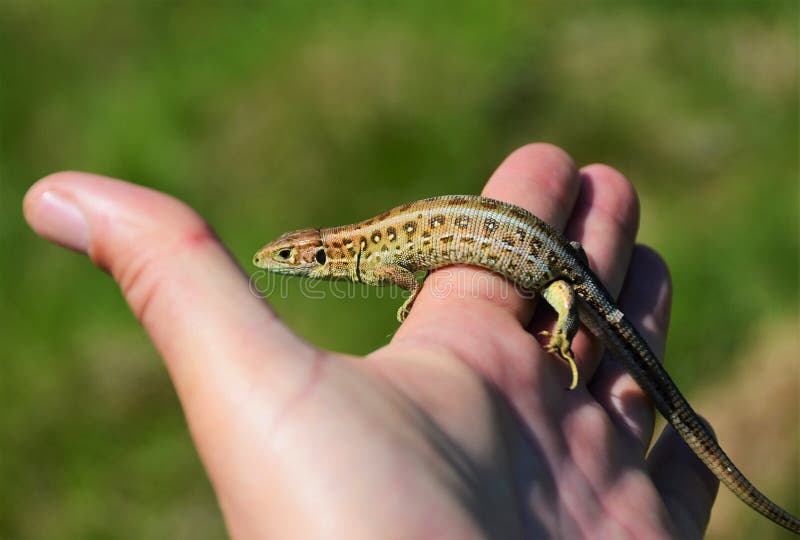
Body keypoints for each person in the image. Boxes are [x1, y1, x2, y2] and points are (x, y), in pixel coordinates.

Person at [23, 144, 716, 539]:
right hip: (550, 267)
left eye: (293, 260)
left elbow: (404, 273)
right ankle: (575, 328)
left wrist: (426, 299)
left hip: (551, 269)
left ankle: (572, 330)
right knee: (601, 330)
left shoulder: (370, 256)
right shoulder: (356, 251)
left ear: (318, 257)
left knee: (598, 328)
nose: (283, 265)